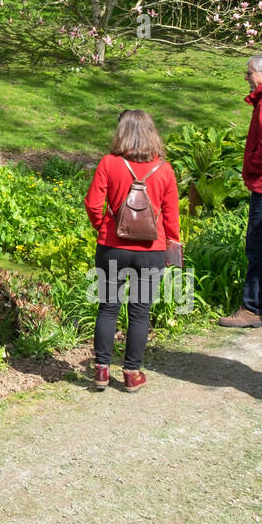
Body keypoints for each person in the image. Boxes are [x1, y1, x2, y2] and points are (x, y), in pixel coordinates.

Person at [84, 109, 181, 392]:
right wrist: (171, 243)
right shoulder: (164, 169)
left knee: (108, 307)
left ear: (121, 132)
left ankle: (101, 371)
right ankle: (131, 374)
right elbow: (172, 215)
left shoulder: (109, 163)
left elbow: (92, 203)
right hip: (150, 251)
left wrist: (103, 227)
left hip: (112, 247)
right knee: (140, 312)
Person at [221, 54, 262, 328]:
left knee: (259, 247)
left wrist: (250, 171)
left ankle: (252, 308)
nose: (246, 78)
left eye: (249, 73)